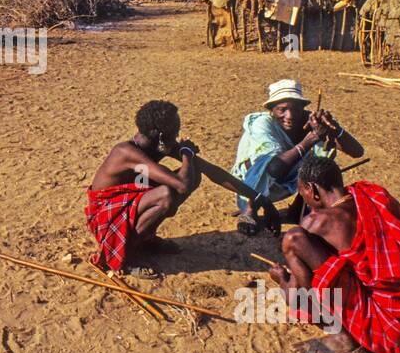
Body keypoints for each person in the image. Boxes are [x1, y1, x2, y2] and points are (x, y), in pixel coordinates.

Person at [268, 153, 400, 353]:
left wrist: (282, 279)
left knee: (293, 240)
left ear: (312, 190)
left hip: (387, 329)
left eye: (303, 194)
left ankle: (342, 339)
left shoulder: (318, 223)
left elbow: (296, 296)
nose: (306, 203)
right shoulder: (373, 196)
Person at [231, 79, 363, 233]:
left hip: (287, 180)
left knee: (321, 163)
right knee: (265, 161)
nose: (290, 116)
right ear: (271, 110)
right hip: (251, 182)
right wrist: (311, 138)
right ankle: (250, 210)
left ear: (303, 108)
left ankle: (298, 209)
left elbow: (357, 152)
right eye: (282, 109)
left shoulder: (310, 122)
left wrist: (334, 129)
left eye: (295, 109)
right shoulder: (262, 124)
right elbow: (274, 169)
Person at [85, 100, 202, 273]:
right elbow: (182, 185)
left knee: (193, 174)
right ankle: (127, 256)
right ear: (161, 135)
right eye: (175, 133)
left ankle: (146, 240)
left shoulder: (155, 144)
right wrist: (186, 153)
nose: (177, 137)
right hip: (106, 220)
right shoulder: (126, 152)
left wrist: (254, 196)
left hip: (126, 205)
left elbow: (204, 173)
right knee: (166, 194)